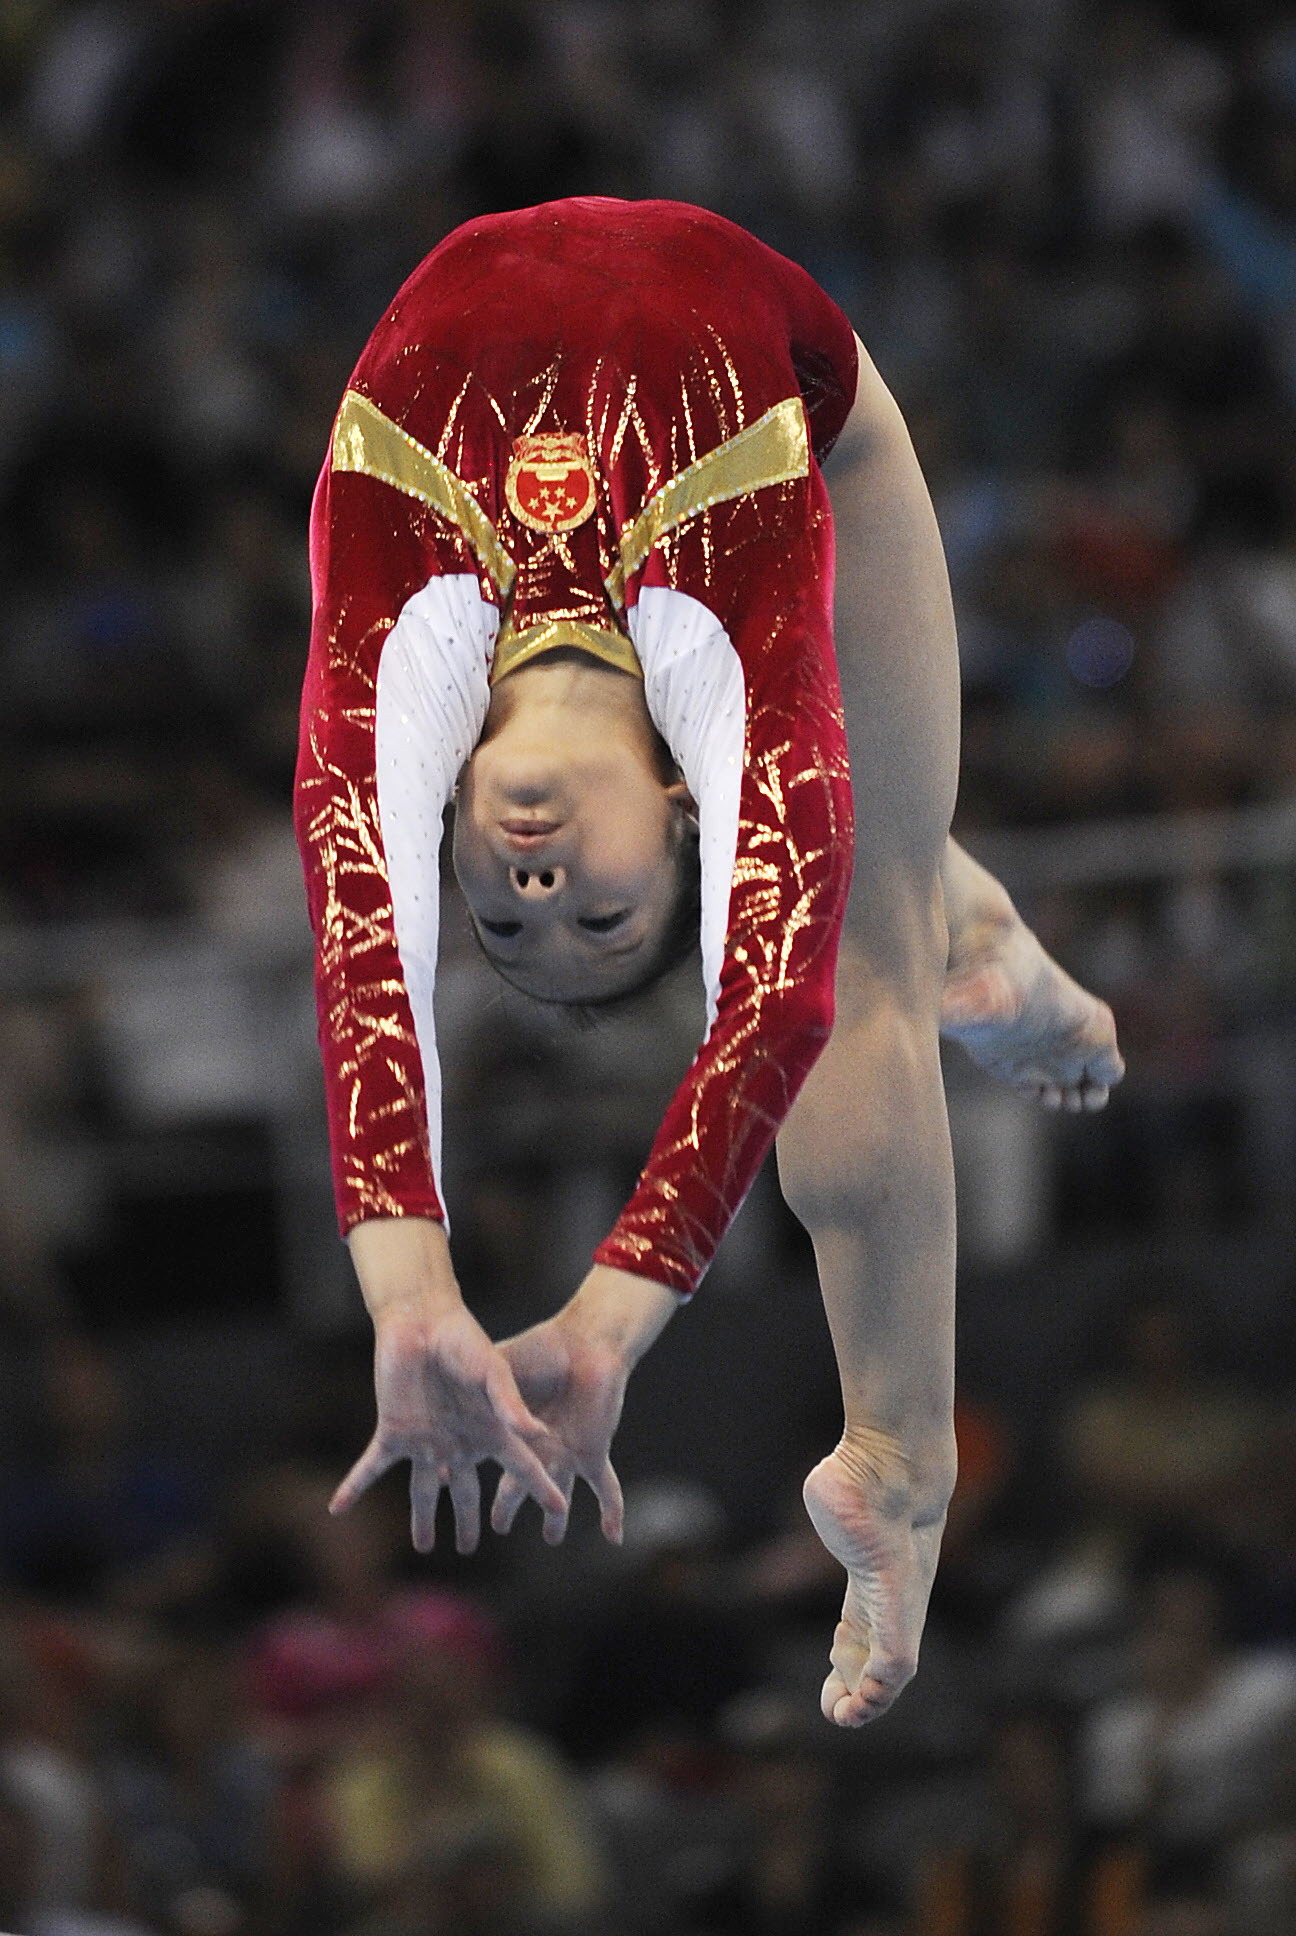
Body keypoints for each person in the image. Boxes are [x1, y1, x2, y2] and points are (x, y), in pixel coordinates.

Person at [295, 196, 1123, 1730]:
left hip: (673, 568)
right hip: (825, 437)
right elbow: (780, 1009)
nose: (536, 891)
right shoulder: (719, 664)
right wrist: (611, 1324)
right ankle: (902, 1465)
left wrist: (406, 1298)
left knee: (869, 866)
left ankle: (985, 931)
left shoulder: (398, 671)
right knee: (859, 952)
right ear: (689, 813)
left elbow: (364, 982)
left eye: (509, 922)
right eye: (595, 920)